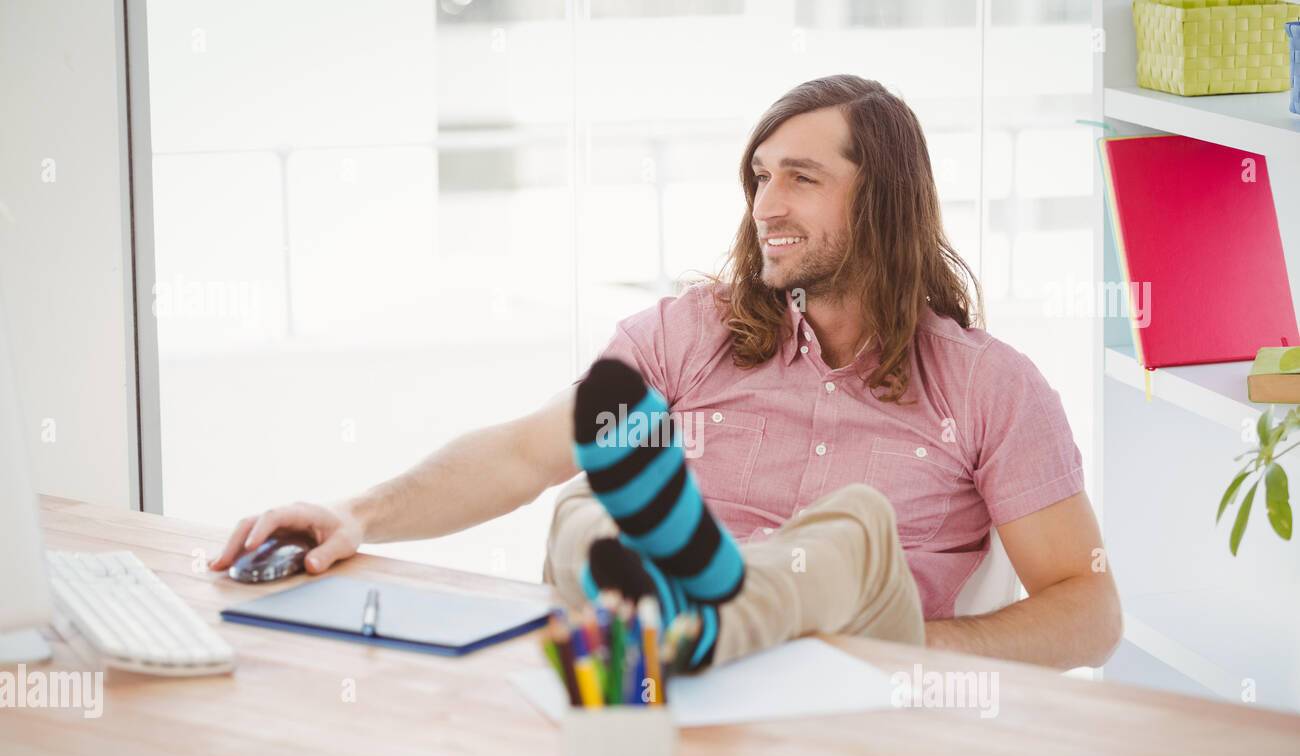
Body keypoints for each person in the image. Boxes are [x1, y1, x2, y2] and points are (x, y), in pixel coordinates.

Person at [210, 75, 1121, 672]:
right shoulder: (692, 336)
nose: (767, 204)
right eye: (759, 177)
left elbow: (1089, 611)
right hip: (672, 671)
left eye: (799, 177)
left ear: (880, 197)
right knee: (587, 508)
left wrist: (903, 653)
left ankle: (723, 613)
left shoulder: (989, 387)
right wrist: (359, 512)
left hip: (854, 668)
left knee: (851, 532)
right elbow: (528, 455)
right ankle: (700, 616)